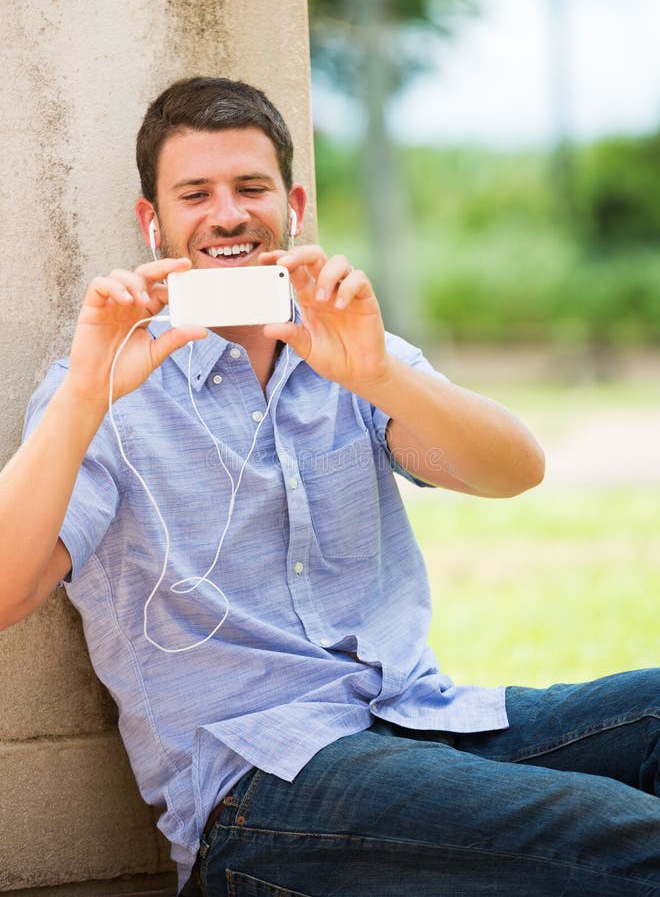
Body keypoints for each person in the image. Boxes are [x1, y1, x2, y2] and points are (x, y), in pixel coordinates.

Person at [0, 76, 657, 896]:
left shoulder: (346, 349)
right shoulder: (99, 387)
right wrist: (85, 396)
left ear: (293, 204)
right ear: (153, 222)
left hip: (422, 722)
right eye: (195, 194)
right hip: (264, 793)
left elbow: (516, 470)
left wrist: (379, 373)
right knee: (619, 835)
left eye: (250, 187)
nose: (227, 214)